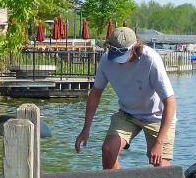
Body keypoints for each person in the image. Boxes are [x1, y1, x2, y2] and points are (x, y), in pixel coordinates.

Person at [74, 26, 177, 168]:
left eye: (122, 55)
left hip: (157, 117)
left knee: (160, 167)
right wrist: (86, 128)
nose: (118, 61)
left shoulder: (151, 60)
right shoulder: (106, 60)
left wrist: (159, 143)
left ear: (135, 48)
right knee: (108, 150)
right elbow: (95, 94)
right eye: (114, 53)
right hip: (128, 114)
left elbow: (170, 103)